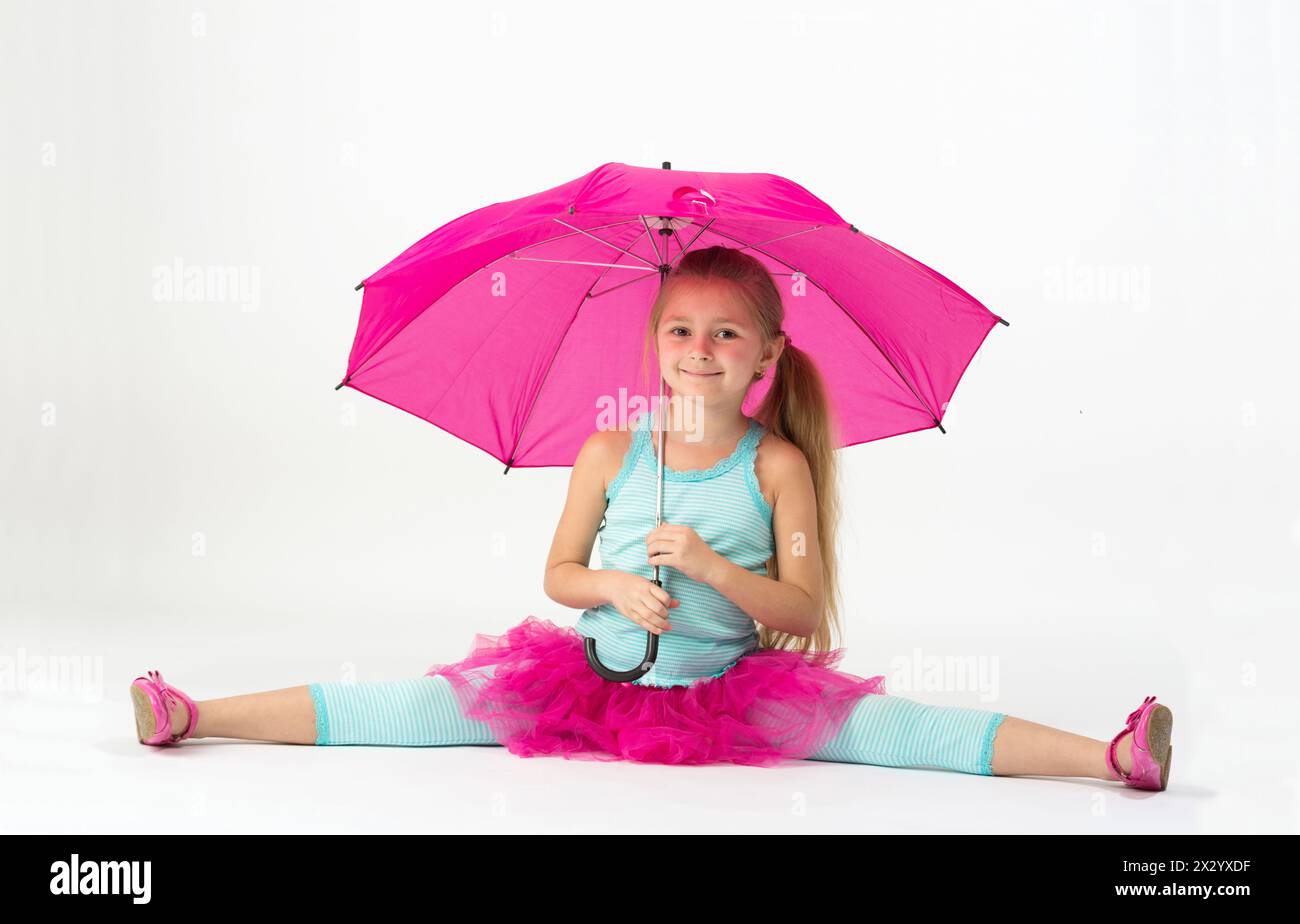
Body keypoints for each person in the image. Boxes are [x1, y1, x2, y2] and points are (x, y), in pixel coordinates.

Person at [129, 246, 1173, 791]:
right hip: (591, 682)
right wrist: (617, 587)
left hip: (730, 691)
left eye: (726, 334)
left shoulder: (777, 467)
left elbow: (801, 607)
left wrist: (712, 567)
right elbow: (559, 575)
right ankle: (196, 714)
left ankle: (1109, 756)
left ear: (766, 358)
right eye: (680, 328)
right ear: (654, 343)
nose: (699, 348)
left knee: (898, 732)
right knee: (409, 706)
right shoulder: (608, 450)